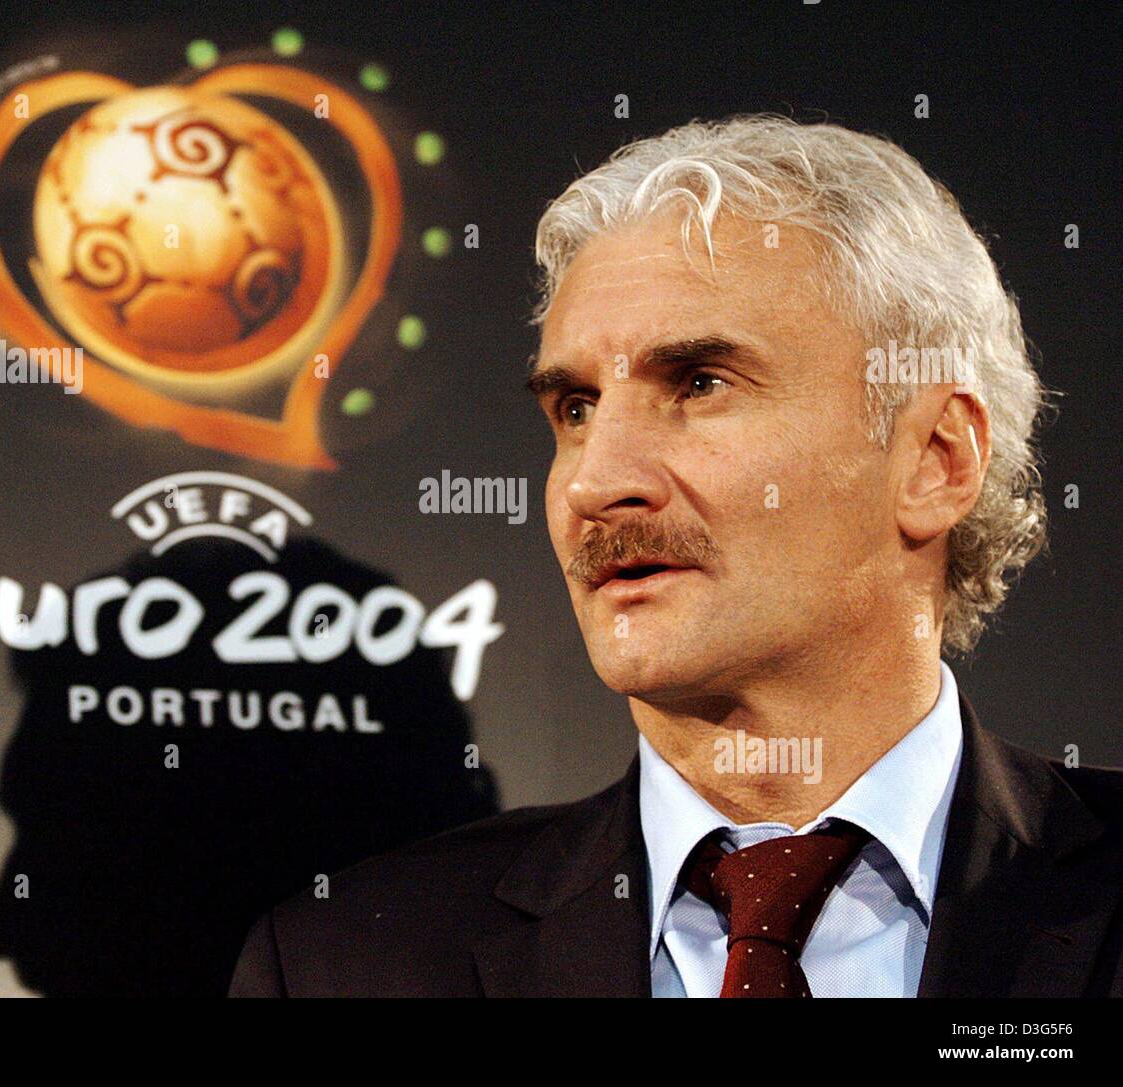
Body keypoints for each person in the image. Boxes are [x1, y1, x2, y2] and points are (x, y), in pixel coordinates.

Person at [229, 115, 1123, 998]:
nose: (596, 482)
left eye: (700, 384)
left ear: (936, 460)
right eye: (575, 408)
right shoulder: (346, 964)